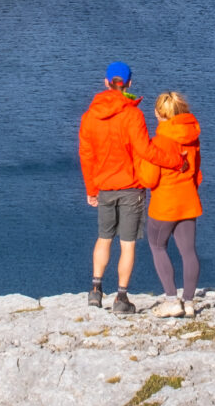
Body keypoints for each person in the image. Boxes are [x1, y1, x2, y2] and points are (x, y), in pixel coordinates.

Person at [78, 61, 184, 314]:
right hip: (131, 188)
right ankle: (121, 299)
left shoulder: (89, 116)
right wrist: (176, 161)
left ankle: (95, 290)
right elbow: (145, 151)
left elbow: (86, 155)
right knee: (127, 244)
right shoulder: (133, 115)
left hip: (104, 187)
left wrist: (91, 189)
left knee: (104, 238)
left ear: (105, 82)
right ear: (129, 84)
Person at [144, 90, 204, 318]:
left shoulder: (159, 142)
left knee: (158, 246)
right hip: (188, 200)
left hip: (164, 204)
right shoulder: (192, 137)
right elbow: (197, 170)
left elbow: (149, 179)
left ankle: (171, 299)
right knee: (188, 252)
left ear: (158, 114)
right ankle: (189, 301)